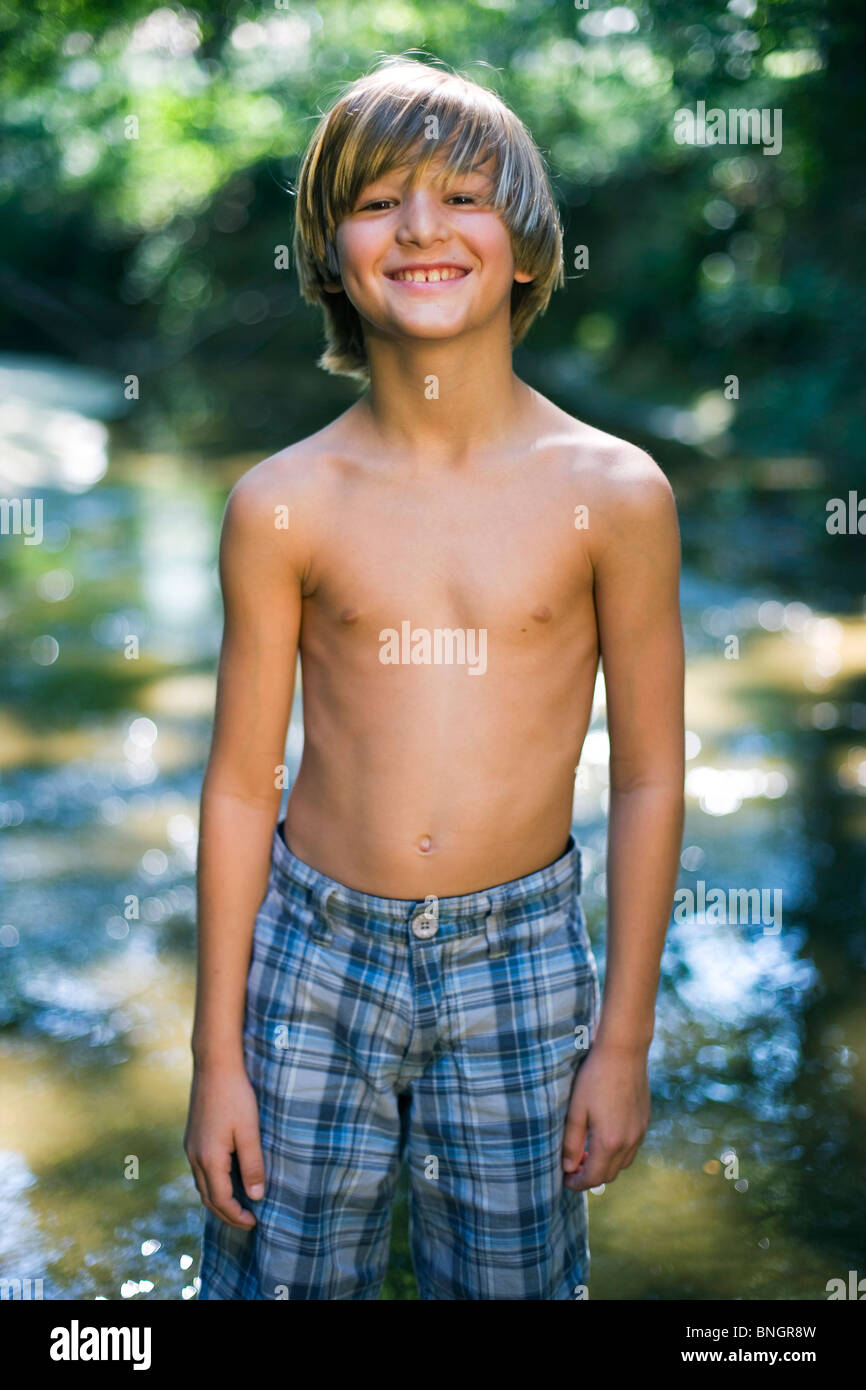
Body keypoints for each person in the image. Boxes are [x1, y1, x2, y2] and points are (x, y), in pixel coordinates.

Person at [185, 55, 685, 1301]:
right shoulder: (283, 503)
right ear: (328, 255)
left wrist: (621, 1038)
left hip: (519, 954)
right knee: (280, 1279)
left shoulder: (612, 495)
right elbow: (242, 788)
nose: (419, 227)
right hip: (311, 959)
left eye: (462, 193)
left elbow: (650, 775)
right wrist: (214, 1061)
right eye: (376, 200)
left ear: (524, 246)